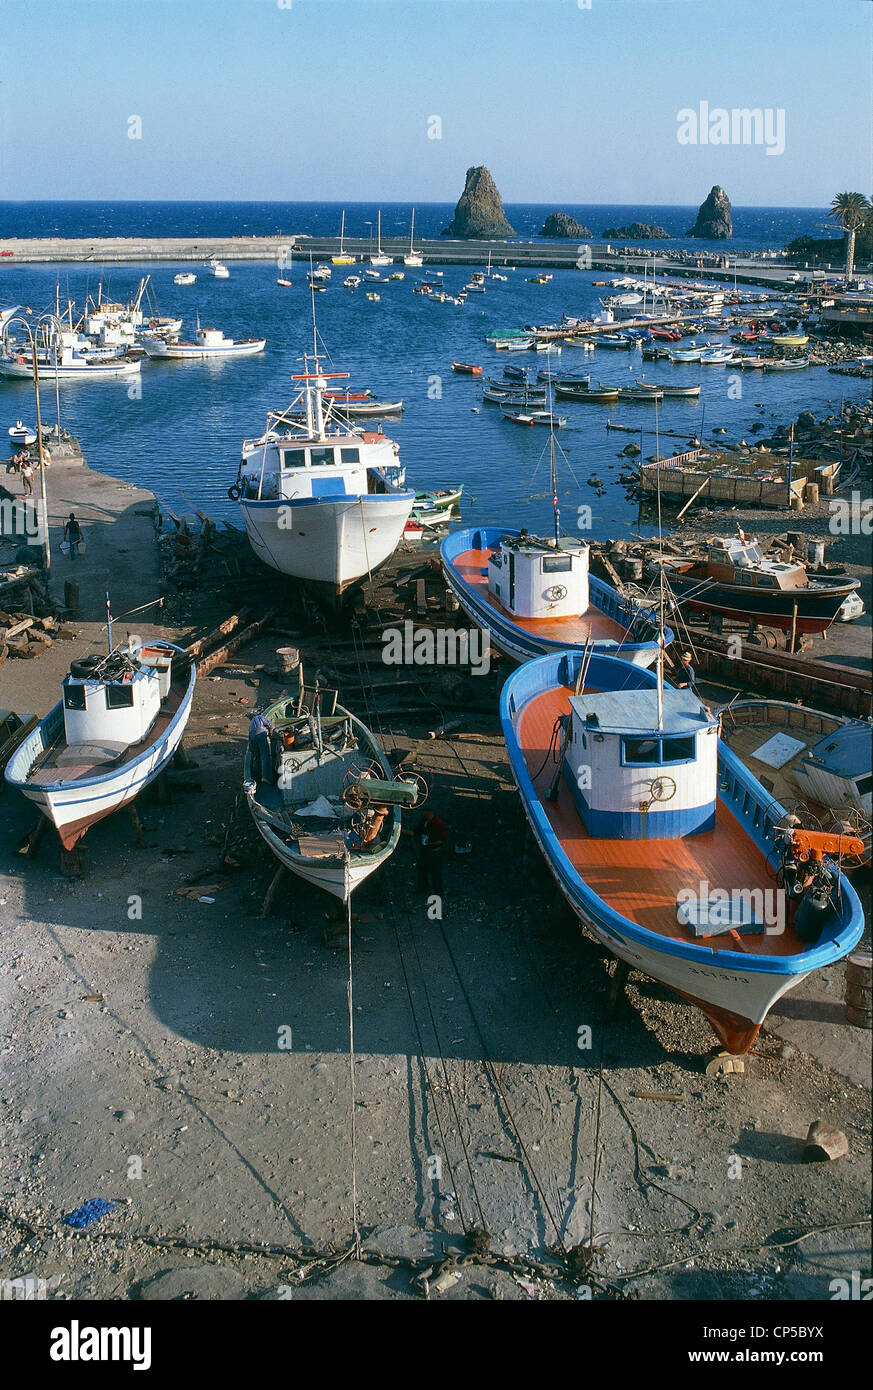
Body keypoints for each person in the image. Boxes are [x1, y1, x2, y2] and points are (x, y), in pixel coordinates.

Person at [414, 810, 447, 895]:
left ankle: (438, 891)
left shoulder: (438, 824)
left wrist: (428, 844)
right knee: (422, 870)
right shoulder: (424, 821)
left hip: (435, 852)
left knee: (435, 873)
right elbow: (417, 832)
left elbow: (441, 840)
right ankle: (424, 888)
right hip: (425, 850)